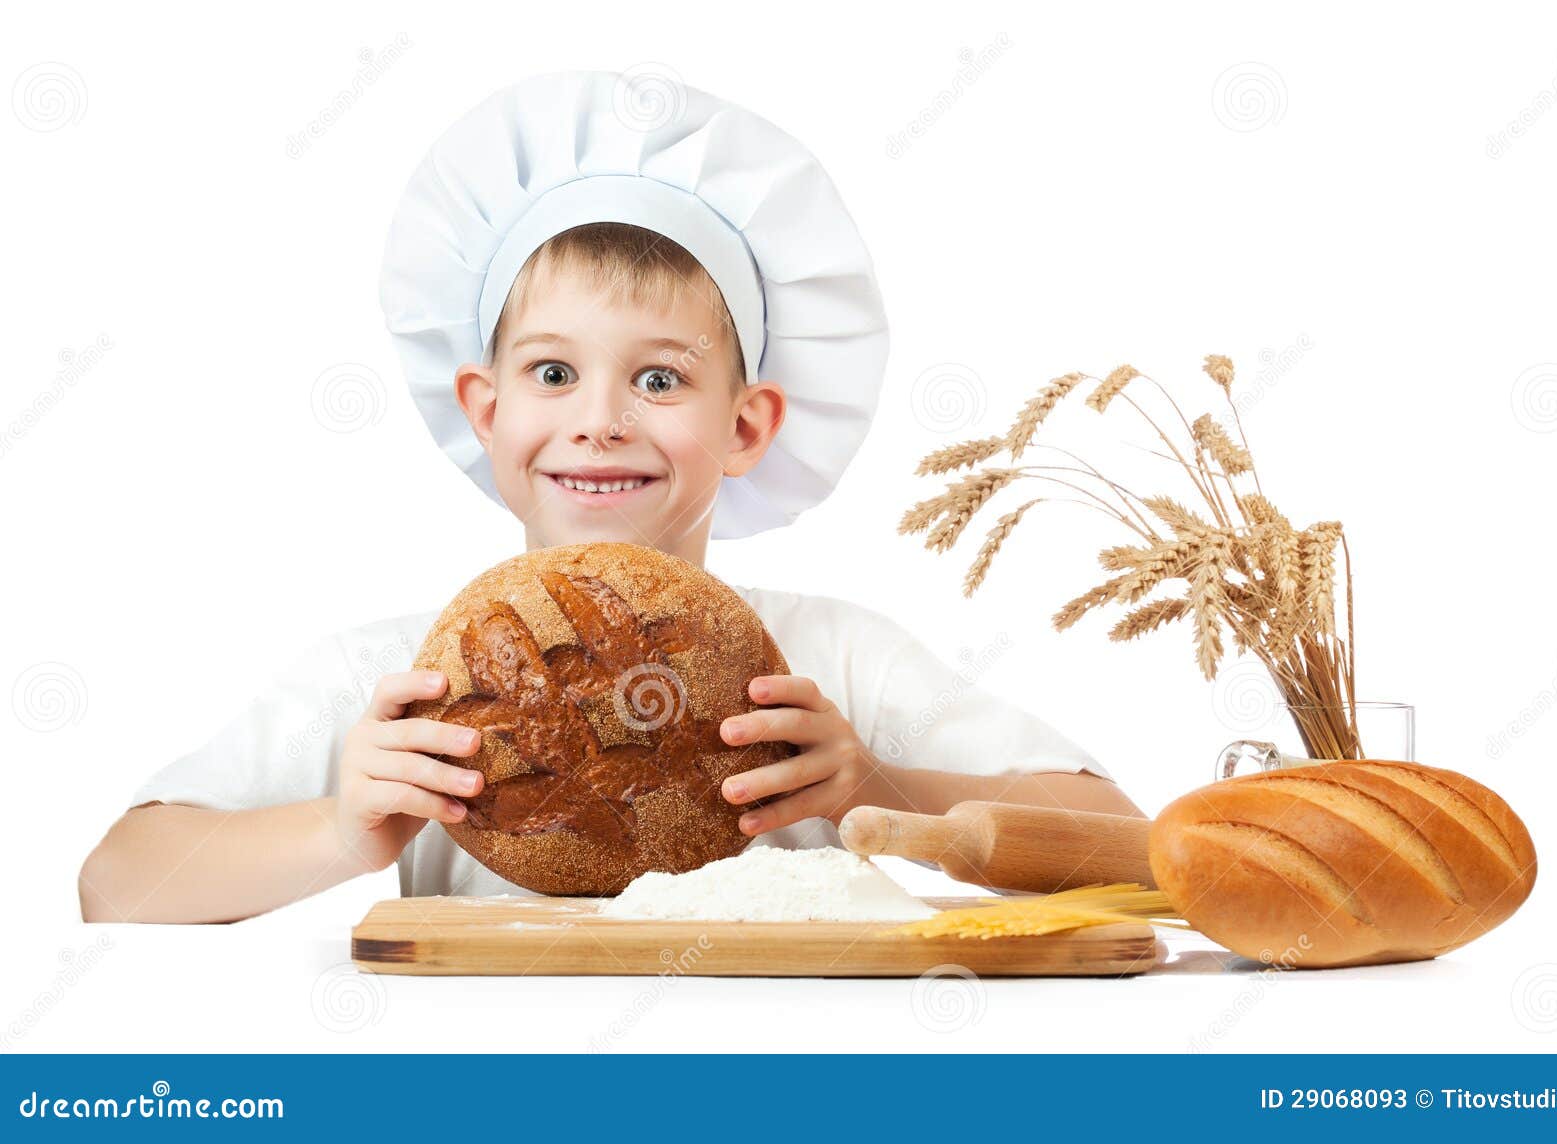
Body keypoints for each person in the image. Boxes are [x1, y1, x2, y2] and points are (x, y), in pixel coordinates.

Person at [80, 71, 1142, 924]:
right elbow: (117, 881)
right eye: (552, 373)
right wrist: (340, 830)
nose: (600, 419)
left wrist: (876, 783)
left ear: (746, 425)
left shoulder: (834, 666)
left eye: (660, 378)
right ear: (483, 409)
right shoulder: (400, 687)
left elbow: (1129, 847)